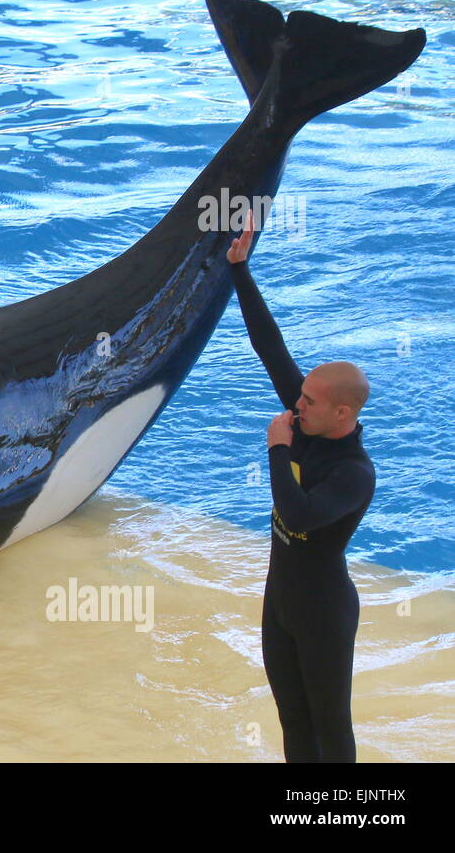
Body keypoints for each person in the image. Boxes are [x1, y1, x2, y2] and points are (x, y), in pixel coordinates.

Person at [226, 211, 376, 763]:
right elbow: (271, 347)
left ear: (341, 413)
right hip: (281, 603)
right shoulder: (308, 417)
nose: (296, 404)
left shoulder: (354, 473)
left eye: (309, 401)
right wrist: (241, 270)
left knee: (331, 730)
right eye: (300, 396)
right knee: (293, 722)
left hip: (324, 611)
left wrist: (277, 448)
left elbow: (301, 513)